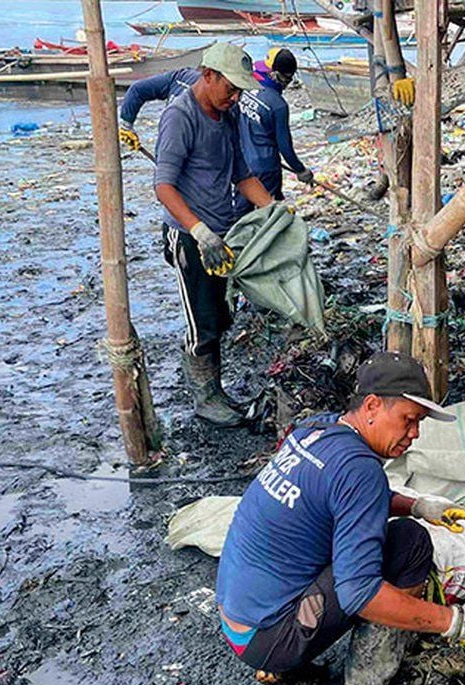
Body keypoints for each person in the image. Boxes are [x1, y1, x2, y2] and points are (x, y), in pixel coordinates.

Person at [215, 352, 465, 685]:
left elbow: (338, 499)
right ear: (371, 406)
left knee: (374, 536)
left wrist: (416, 505)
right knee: (408, 546)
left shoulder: (316, 431)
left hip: (238, 623)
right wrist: (452, 620)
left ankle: (283, 662)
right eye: (408, 420)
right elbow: (360, 594)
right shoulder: (360, 471)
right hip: (270, 637)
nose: (414, 434)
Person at [150, 43, 274, 428]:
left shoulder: (229, 115)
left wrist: (273, 209)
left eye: (240, 91)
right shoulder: (180, 117)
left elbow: (242, 174)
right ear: (208, 76)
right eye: (230, 89)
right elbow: (164, 186)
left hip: (223, 233)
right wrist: (199, 231)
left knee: (220, 315)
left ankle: (216, 390)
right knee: (200, 319)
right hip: (189, 237)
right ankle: (204, 399)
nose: (235, 97)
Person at [238, 48, 313, 200]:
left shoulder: (245, 89)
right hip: (265, 168)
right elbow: (285, 147)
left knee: (241, 212)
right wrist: (301, 170)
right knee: (271, 213)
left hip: (241, 163)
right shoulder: (278, 105)